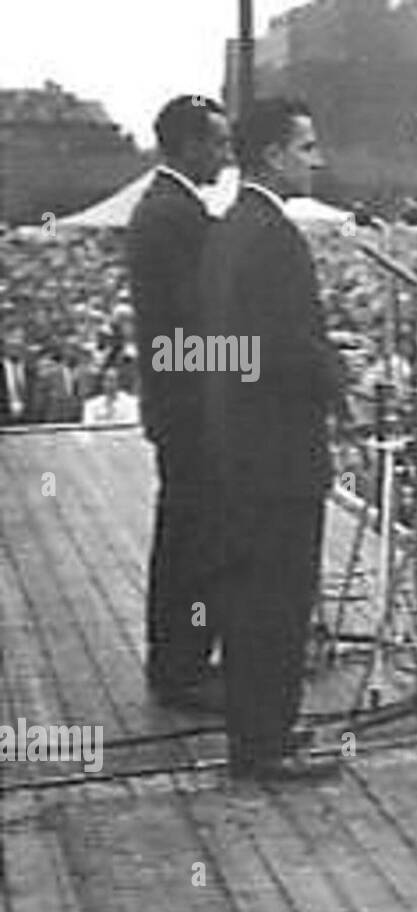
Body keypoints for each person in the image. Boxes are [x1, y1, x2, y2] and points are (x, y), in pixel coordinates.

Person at [199, 97, 342, 782]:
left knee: (251, 595)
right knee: (277, 599)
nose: (318, 159)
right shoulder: (275, 236)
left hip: (240, 444)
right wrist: (337, 369)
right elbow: (287, 352)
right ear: (274, 155)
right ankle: (265, 743)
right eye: (307, 146)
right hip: (278, 453)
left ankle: (261, 727)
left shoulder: (231, 226)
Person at [126, 95, 232, 712]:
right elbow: (194, 332)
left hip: (183, 406)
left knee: (190, 537)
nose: (224, 155)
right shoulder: (173, 216)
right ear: (189, 145)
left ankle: (184, 658)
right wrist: (256, 361)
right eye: (217, 143)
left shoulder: (169, 209)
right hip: (191, 409)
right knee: (192, 542)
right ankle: (181, 666)